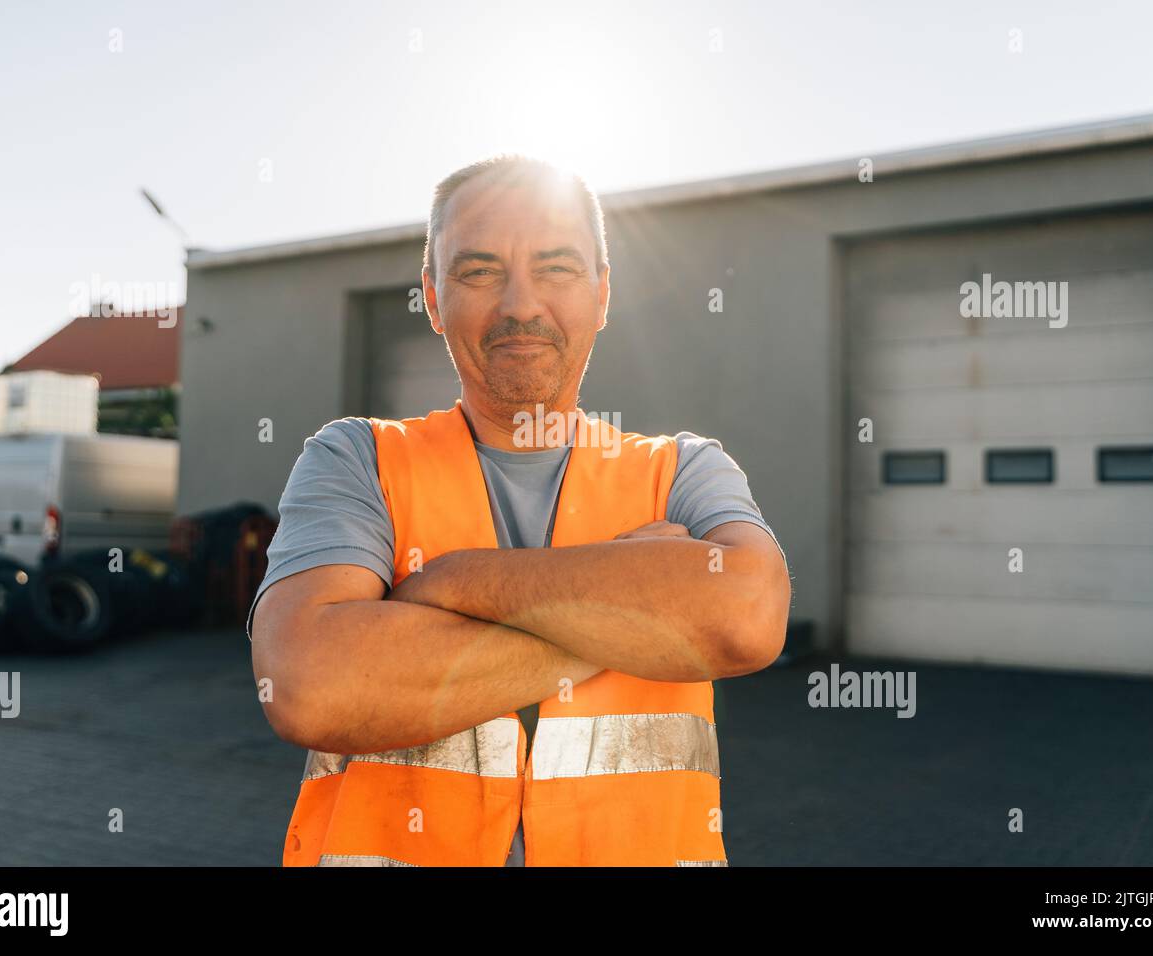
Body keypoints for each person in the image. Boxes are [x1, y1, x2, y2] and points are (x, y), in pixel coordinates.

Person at [249, 155, 790, 866]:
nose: (521, 306)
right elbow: (307, 687)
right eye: (478, 271)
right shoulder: (357, 460)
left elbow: (748, 616)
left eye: (557, 268)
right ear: (434, 299)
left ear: (602, 294)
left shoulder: (682, 469)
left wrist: (456, 580)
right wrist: (639, 609)